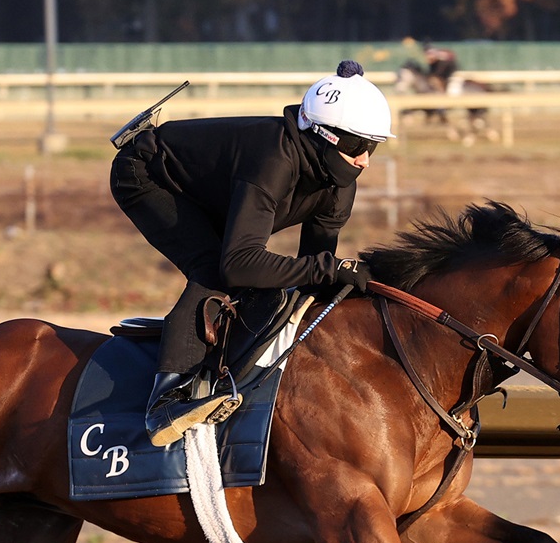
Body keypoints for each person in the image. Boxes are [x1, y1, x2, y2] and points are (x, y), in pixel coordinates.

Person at [110, 60, 395, 447]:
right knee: (214, 269)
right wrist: (329, 269)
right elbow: (239, 263)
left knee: (279, 280)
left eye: (372, 147)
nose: (364, 159)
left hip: (211, 190)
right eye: (355, 146)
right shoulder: (273, 159)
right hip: (146, 174)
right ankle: (166, 400)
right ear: (323, 135)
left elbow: (315, 270)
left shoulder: (340, 183)